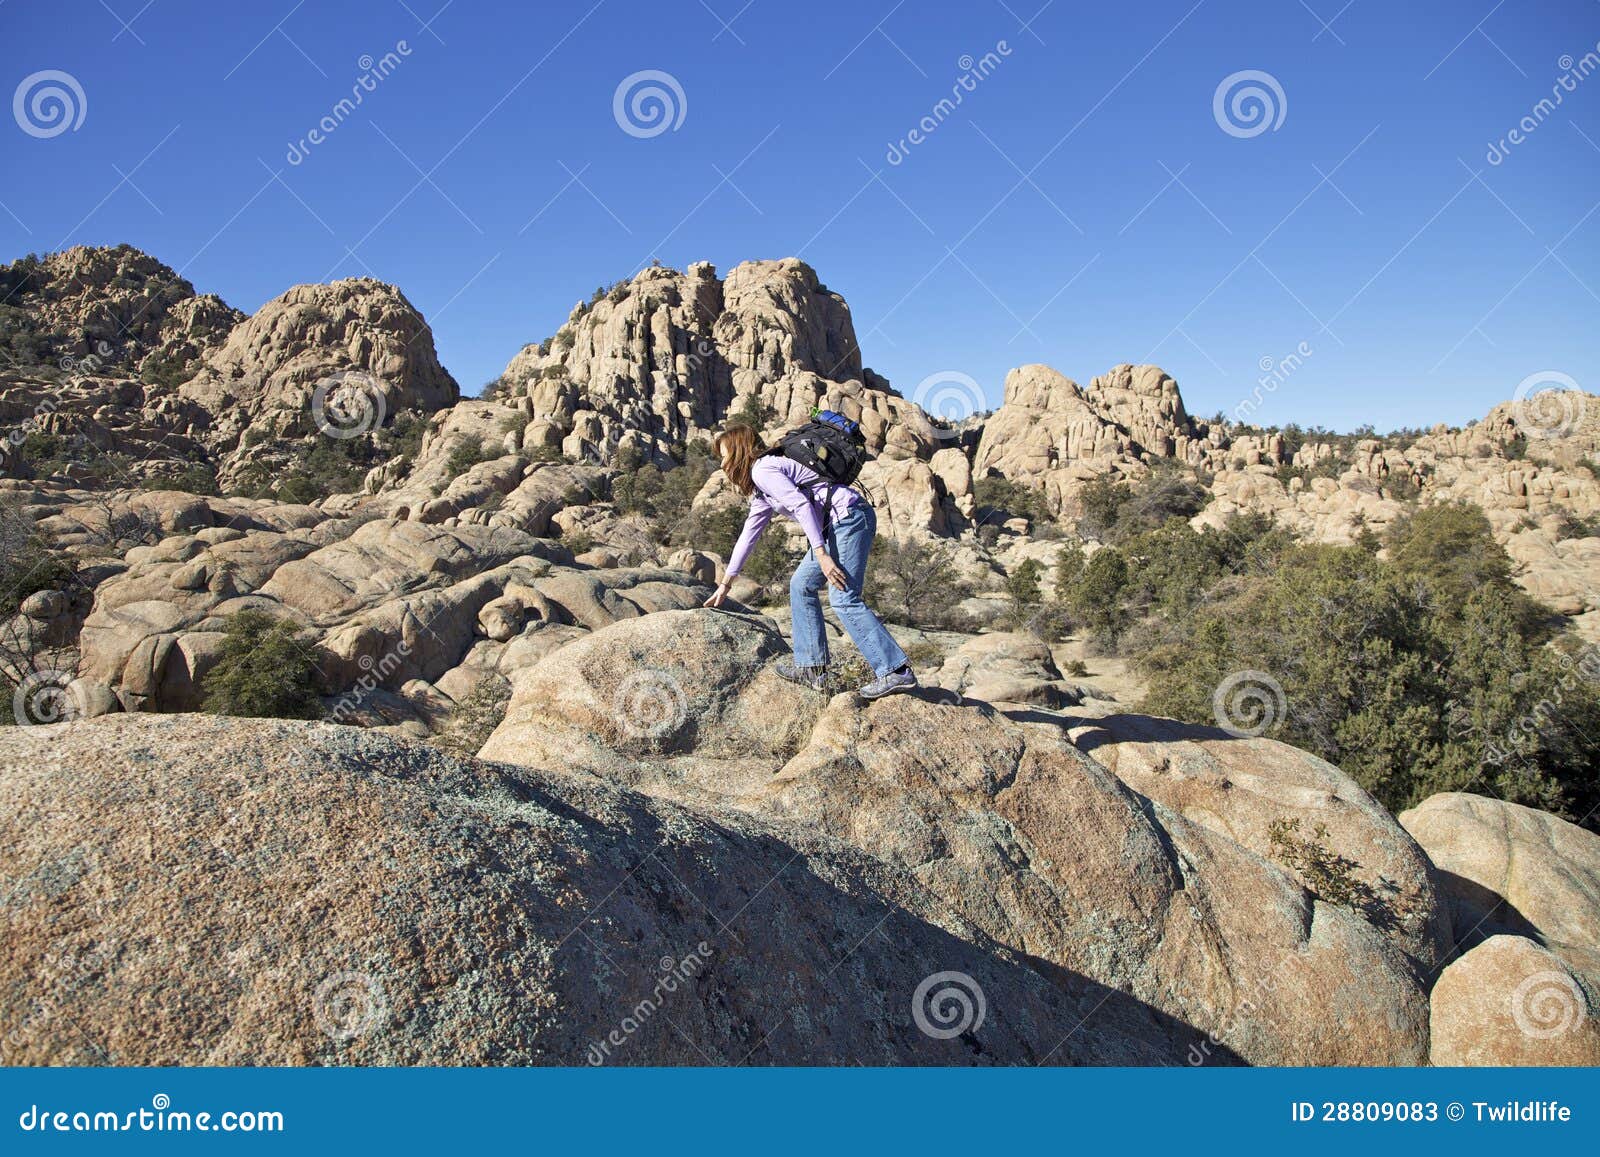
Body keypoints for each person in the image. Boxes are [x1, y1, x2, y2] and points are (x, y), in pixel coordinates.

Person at [702, 424, 917, 699]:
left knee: (843, 598)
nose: (722, 463)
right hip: (834, 527)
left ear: (739, 450)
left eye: (725, 455)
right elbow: (748, 535)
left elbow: (801, 505)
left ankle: (895, 671)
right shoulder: (760, 488)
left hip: (849, 519)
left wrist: (823, 556)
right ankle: (812, 668)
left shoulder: (763, 469)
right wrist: (726, 584)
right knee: (801, 584)